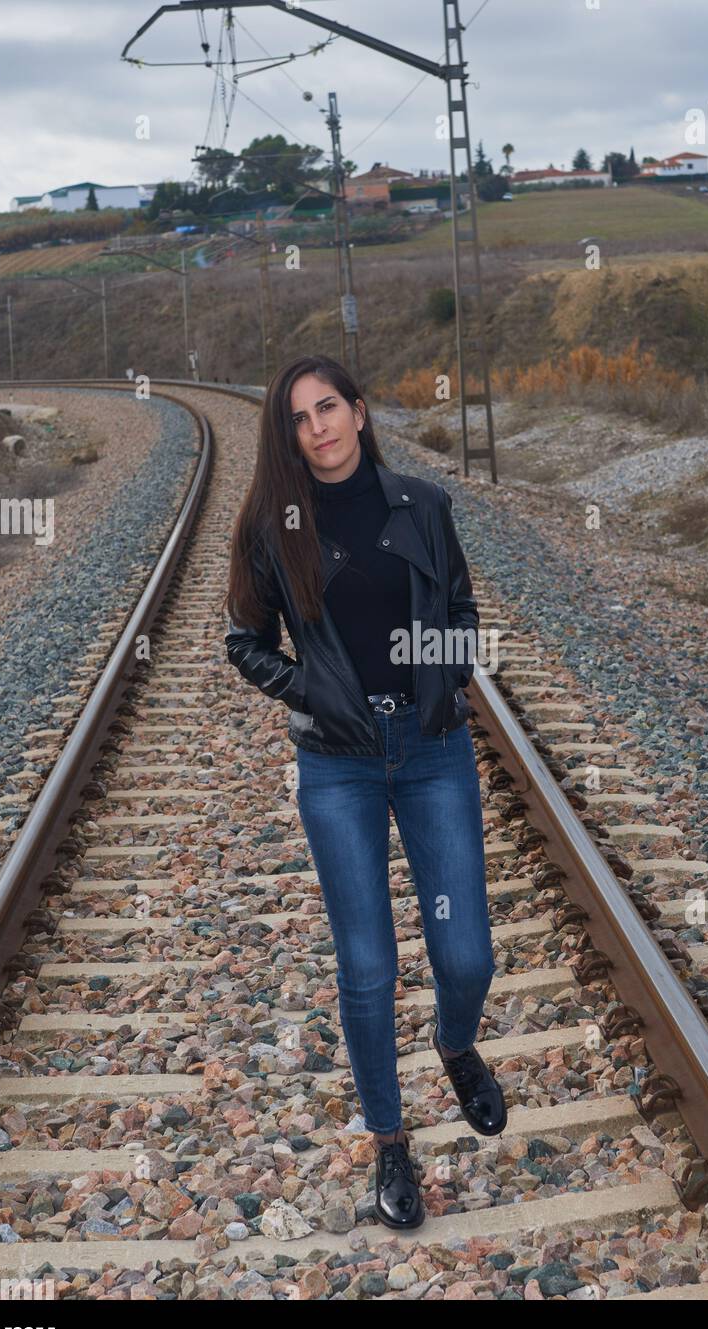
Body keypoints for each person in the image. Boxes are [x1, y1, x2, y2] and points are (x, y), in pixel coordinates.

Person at [224, 354, 506, 1230]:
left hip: (429, 751)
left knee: (466, 957)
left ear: (358, 410)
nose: (319, 428)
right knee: (368, 966)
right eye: (301, 418)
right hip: (337, 767)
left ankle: (454, 1044)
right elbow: (244, 640)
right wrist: (312, 693)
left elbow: (458, 612)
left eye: (330, 408)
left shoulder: (422, 505)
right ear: (289, 436)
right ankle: (390, 1143)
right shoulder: (277, 528)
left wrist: (440, 676)